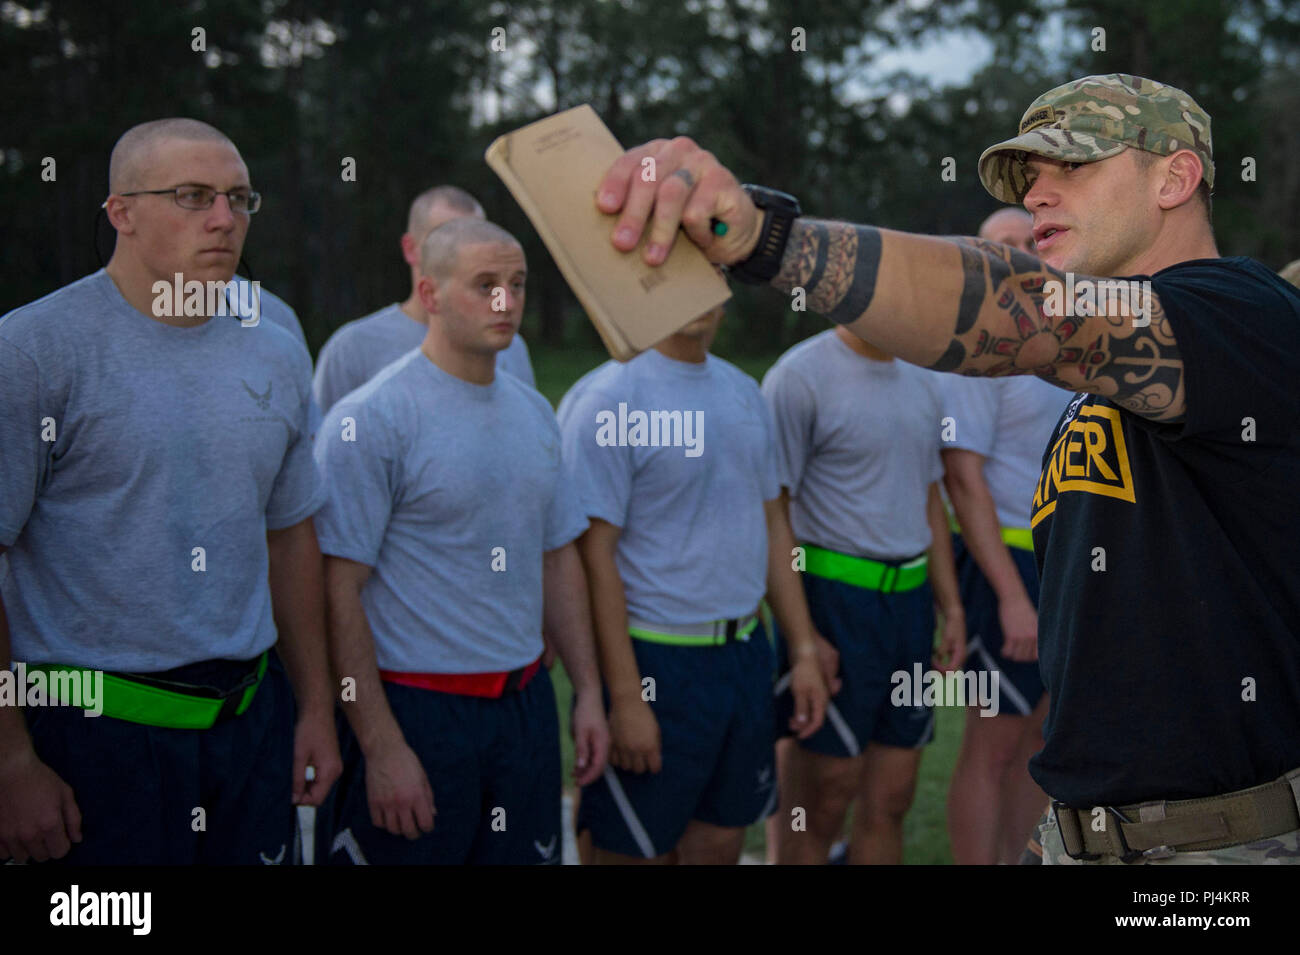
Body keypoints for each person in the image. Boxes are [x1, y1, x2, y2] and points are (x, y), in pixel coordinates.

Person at [594, 73, 1300, 864]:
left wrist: (769, 239)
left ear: (1175, 177)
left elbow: (1030, 312)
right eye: (1031, 177)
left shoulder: (1240, 313)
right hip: (1089, 834)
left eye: (1072, 167)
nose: (1038, 194)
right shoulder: (1136, 377)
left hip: (1214, 855)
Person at [0, 118, 340, 864]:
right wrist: (10, 760)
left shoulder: (274, 348)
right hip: (88, 735)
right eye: (192, 196)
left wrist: (314, 707)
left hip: (248, 725)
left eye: (240, 198)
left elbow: (290, 538)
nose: (224, 219)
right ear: (120, 211)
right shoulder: (32, 352)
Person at [313, 217, 608, 864]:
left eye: (517, 284)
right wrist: (382, 745)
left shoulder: (534, 413)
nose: (506, 302)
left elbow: (557, 558)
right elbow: (337, 587)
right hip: (416, 709)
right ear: (431, 291)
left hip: (523, 708)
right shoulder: (372, 418)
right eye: (484, 285)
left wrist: (587, 690)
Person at [558, 303, 829, 864]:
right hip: (655, 659)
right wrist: (627, 697)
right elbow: (593, 556)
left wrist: (800, 647)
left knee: (720, 842)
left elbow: (774, 522)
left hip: (743, 657)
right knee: (630, 847)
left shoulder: (743, 392)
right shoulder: (607, 398)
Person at [761, 324, 963, 864]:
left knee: (892, 798)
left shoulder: (923, 378)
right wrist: (803, 639)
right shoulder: (798, 376)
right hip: (834, 602)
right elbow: (770, 510)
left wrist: (953, 605)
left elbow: (927, 497)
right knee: (824, 797)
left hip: (910, 608)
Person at [940, 208, 1070, 865]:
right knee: (990, 744)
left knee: (1041, 742)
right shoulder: (976, 351)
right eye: (1002, 248)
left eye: (1031, 242)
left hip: (1062, 561)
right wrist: (1012, 597)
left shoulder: (1062, 342)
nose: (1020, 256)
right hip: (1005, 565)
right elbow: (964, 482)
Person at [313, 185, 534, 413]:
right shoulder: (353, 349)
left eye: (475, 235)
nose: (464, 248)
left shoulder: (511, 346)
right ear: (410, 249)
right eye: (446, 236)